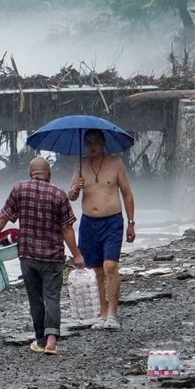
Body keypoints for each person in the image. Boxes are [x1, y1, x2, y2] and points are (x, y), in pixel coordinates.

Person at [0, 156, 85, 354]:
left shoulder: (19, 189)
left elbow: (4, 217)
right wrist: (76, 255)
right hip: (53, 256)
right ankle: (52, 340)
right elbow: (67, 228)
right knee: (52, 297)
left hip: (28, 255)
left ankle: (40, 340)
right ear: (49, 175)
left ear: (30, 173)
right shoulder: (59, 194)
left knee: (35, 299)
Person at [67, 129, 136, 330]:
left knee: (110, 267)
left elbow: (127, 194)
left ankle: (113, 313)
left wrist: (131, 222)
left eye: (96, 142)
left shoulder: (115, 164)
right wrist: (75, 189)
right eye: (88, 143)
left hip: (112, 221)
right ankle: (102, 313)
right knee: (95, 269)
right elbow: (71, 197)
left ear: (103, 143)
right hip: (89, 223)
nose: (92, 147)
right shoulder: (80, 165)